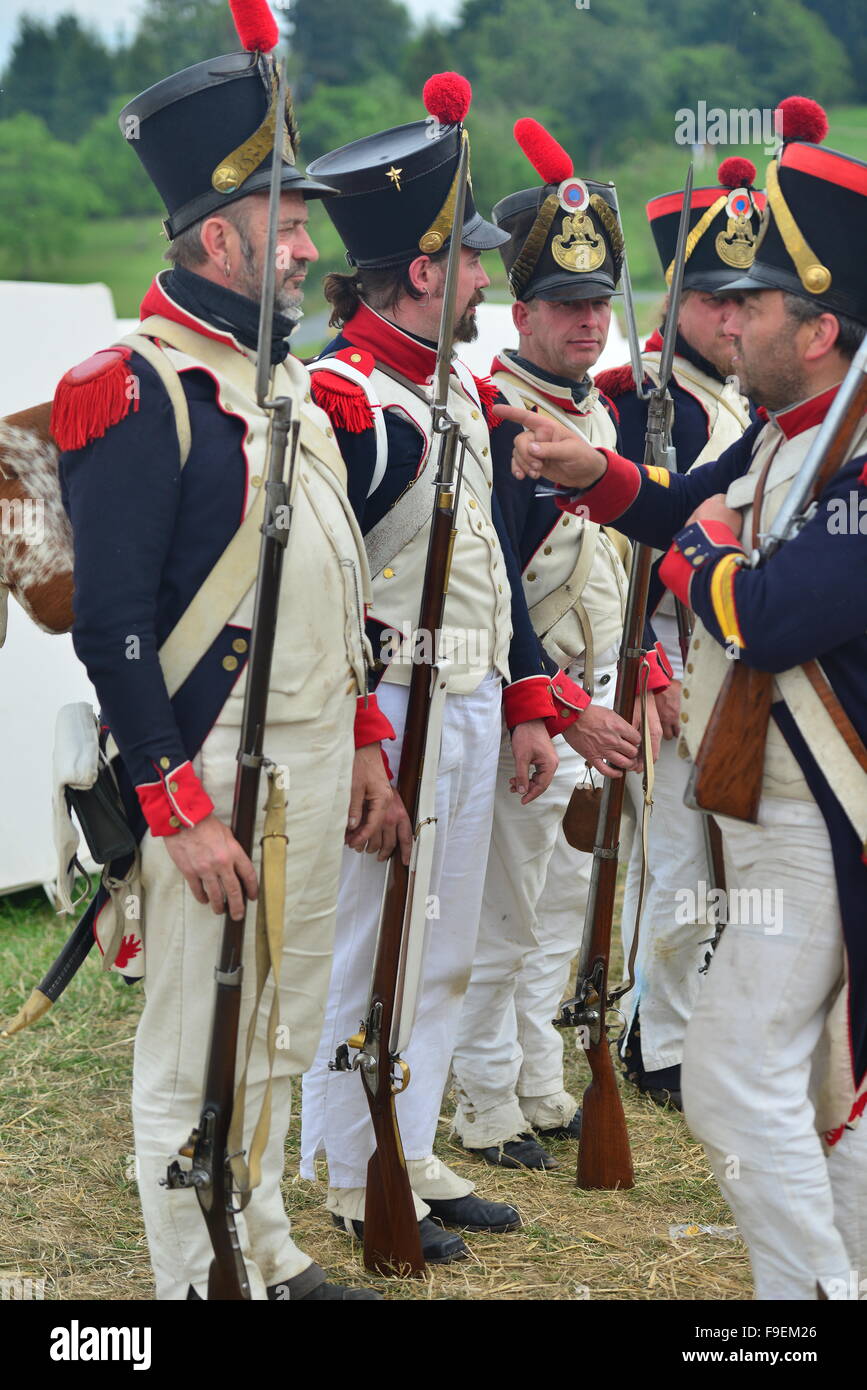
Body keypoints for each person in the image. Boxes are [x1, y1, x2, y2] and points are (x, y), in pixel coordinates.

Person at [499, 96, 867, 1299]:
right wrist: (586, 469)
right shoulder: (787, 430)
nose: (725, 318)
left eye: (751, 302)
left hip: (830, 804)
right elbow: (678, 504)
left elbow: (772, 612)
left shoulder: (851, 449)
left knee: (739, 1076)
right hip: (780, 800)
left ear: (814, 329)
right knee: (810, 1080)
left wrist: (703, 565)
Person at [52, 9, 393, 1301]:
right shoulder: (136, 389)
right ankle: (194, 1279)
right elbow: (113, 622)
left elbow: (330, 592)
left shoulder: (285, 390)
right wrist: (174, 809)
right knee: (194, 1042)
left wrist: (360, 740)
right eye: (288, 225)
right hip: (206, 766)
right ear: (217, 235)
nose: (309, 248)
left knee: (277, 1028)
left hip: (310, 757)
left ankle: (262, 1242)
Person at [298, 75, 574, 1264]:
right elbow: (317, 592)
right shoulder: (346, 401)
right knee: (372, 941)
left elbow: (497, 567)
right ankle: (354, 1170)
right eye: (467, 259)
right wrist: (362, 730)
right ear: (420, 270)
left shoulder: (457, 386)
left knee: (446, 938)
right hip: (389, 703)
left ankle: (412, 1144)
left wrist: (521, 695)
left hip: (464, 700)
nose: (483, 278)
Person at [449, 118, 666, 1170]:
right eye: (569, 308)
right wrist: (551, 698)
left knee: (564, 900)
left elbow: (623, 565)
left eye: (598, 306)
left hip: (595, 696)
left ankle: (537, 1078)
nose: (590, 326)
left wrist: (643, 671)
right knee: (502, 906)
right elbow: (495, 585)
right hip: (522, 697)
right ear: (521, 310)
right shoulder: (498, 416)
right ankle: (484, 1098)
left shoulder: (600, 423)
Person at [593, 158, 765, 1107]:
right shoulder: (635, 397)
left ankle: (695, 1029)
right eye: (713, 301)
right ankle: (656, 1045)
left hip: (728, 661)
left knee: (720, 868)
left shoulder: (740, 399)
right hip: (662, 667)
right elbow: (618, 544)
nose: (731, 321)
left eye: (744, 300)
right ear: (676, 298)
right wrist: (652, 668)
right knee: (671, 867)